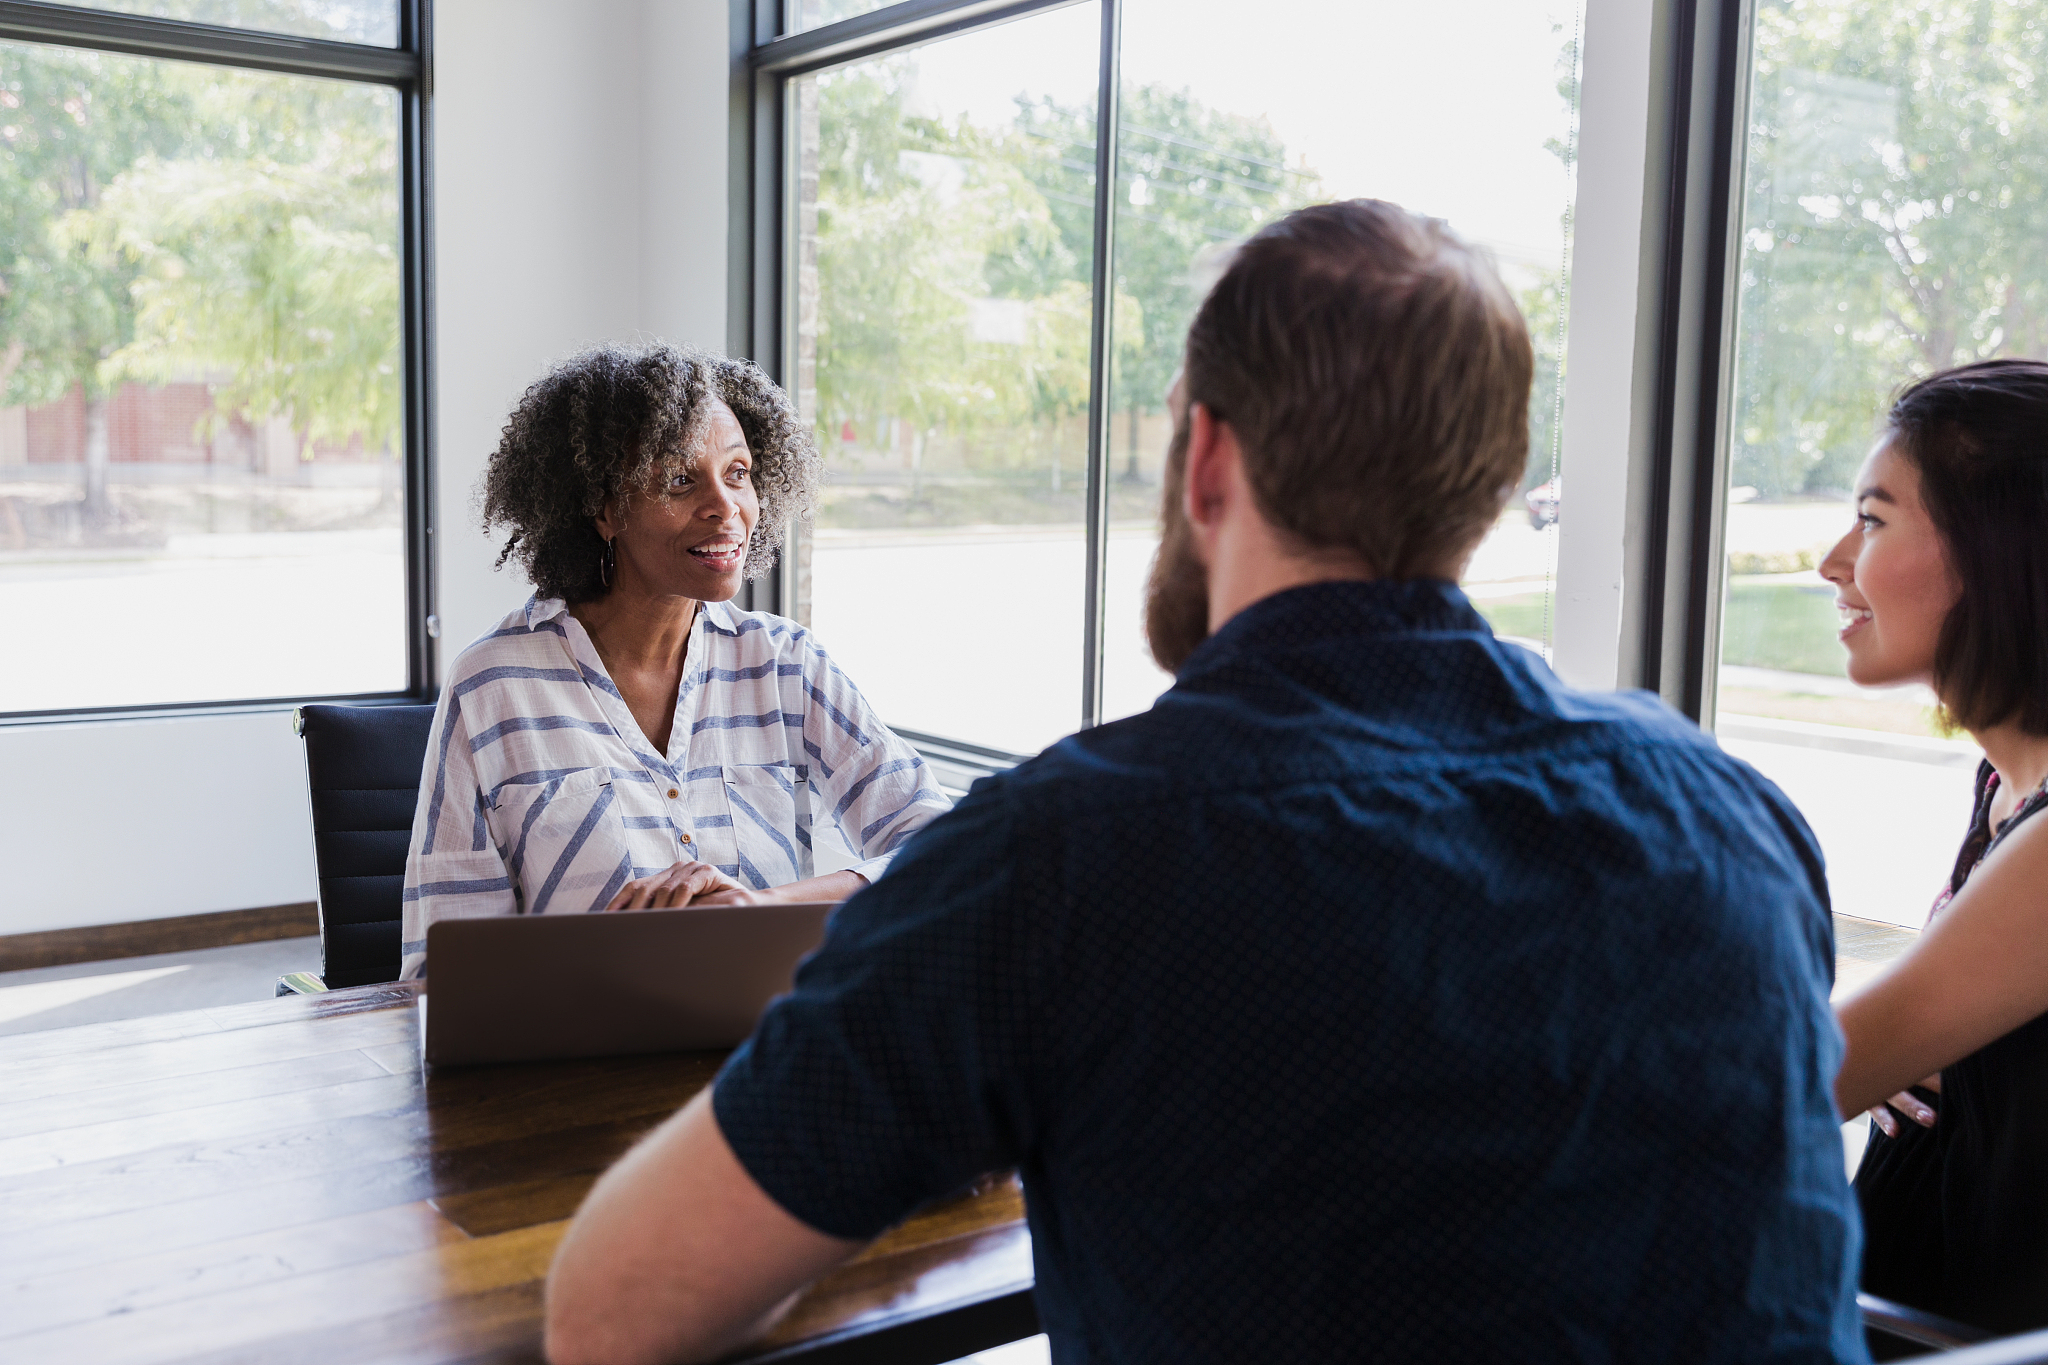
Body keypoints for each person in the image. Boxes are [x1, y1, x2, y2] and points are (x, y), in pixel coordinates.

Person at [542, 202, 1865, 1364]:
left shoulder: (1059, 864)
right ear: (1494, 482)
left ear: (1209, 458)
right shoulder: (1734, 818)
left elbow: (609, 1312)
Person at [400, 343, 949, 979]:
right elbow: (441, 971)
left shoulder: (788, 665)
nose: (725, 506)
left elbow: (940, 846)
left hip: (760, 1046)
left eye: (738, 473)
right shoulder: (492, 686)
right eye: (680, 480)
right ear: (605, 510)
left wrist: (761, 908)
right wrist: (607, 957)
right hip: (582, 1059)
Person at [1823, 360, 2048, 1334]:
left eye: (1872, 521)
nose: (1835, 561)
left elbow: (1806, 1073)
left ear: (1995, 551)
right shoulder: (2001, 788)